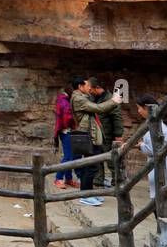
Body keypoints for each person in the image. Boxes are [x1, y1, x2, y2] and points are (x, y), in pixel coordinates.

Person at [70, 76, 120, 206]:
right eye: (87, 86)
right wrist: (113, 101)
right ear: (80, 87)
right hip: (88, 137)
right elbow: (98, 108)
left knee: (92, 166)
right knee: (90, 167)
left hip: (91, 136)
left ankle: (89, 193)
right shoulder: (78, 98)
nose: (89, 88)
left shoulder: (83, 97)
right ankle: (85, 196)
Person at [135, 94, 167, 202]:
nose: (138, 111)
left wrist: (141, 146)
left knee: (161, 203)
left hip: (161, 169)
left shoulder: (153, 126)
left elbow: (152, 150)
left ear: (146, 108)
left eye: (139, 108)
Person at [91, 79, 125, 188]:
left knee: (112, 159)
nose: (89, 91)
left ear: (97, 88)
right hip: (97, 135)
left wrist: (118, 135)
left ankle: (117, 182)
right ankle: (98, 181)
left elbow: (117, 118)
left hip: (108, 135)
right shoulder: (94, 98)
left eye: (91, 88)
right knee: (96, 158)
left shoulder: (111, 99)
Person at [53, 85, 77, 190]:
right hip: (65, 131)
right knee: (67, 156)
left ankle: (68, 179)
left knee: (70, 156)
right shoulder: (64, 102)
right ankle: (58, 178)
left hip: (65, 131)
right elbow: (67, 118)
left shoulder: (62, 100)